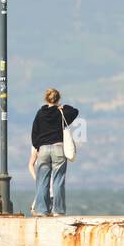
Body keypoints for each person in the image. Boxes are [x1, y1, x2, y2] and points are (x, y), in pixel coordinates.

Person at [28, 88, 78, 216]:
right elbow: (75, 111)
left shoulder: (40, 113)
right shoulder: (61, 113)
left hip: (43, 149)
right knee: (58, 180)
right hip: (58, 148)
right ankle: (58, 210)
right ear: (58, 99)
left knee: (42, 180)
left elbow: (34, 133)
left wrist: (38, 147)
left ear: (46, 98)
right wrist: (63, 107)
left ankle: (41, 210)